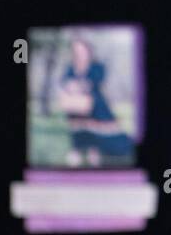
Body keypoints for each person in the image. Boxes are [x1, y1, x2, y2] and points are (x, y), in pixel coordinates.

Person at [56, 38, 136, 168]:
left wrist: (79, 85)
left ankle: (96, 162)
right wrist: (69, 86)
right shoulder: (71, 67)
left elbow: (96, 80)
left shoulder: (97, 66)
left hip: (95, 105)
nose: (79, 53)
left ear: (88, 51)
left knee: (97, 134)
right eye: (76, 50)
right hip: (77, 107)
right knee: (79, 133)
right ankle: (75, 161)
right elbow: (64, 81)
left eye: (82, 50)